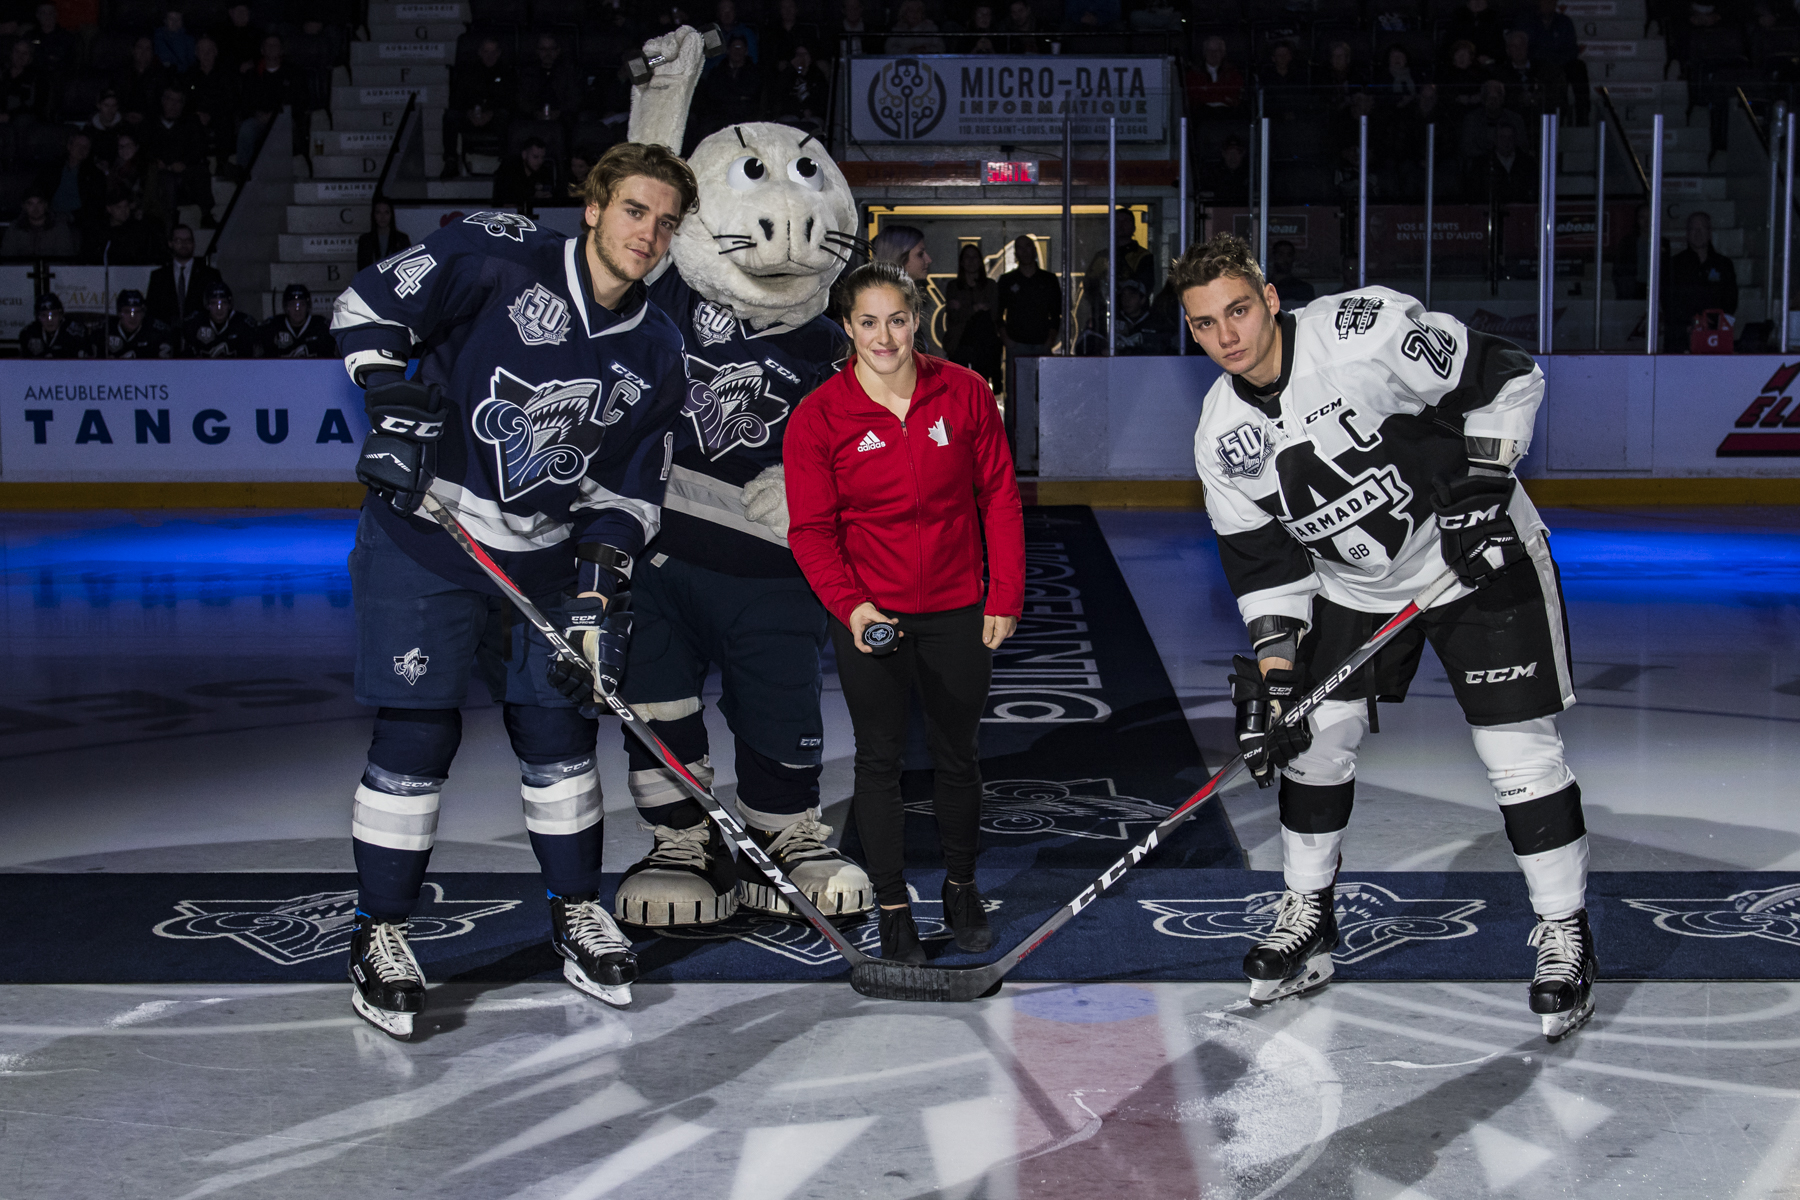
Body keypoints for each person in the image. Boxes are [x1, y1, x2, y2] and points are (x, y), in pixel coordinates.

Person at [1176, 233, 1595, 1040]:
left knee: (1517, 753)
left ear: (1269, 298)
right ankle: (1309, 916)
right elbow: (1267, 570)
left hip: (1471, 556)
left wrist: (1485, 482)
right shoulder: (1220, 435)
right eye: (1204, 325)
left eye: (1237, 310)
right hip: (1353, 586)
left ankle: (1564, 935)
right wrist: (1275, 678)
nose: (1227, 337)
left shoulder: (1361, 331)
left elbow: (1509, 374)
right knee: (1311, 737)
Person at [325, 142, 697, 1040]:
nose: (649, 234)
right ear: (596, 205)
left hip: (542, 559)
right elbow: (364, 306)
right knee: (417, 729)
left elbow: (628, 496)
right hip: (431, 539)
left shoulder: (657, 347)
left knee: (558, 728)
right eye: (636, 210)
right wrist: (388, 399)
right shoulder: (493, 255)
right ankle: (379, 935)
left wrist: (597, 596)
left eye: (667, 222)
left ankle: (575, 909)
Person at [605, 25, 873, 932]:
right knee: (657, 697)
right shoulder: (666, 302)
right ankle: (681, 839)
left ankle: (787, 833)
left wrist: (823, 493)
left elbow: (883, 457)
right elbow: (638, 202)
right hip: (660, 560)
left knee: (779, 700)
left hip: (772, 571)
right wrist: (664, 101)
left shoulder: (839, 348)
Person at [785, 261, 1025, 964]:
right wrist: (853, 607)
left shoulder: (964, 392)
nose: (882, 335)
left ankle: (960, 885)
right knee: (879, 762)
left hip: (958, 609)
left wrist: (1003, 592)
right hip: (871, 615)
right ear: (848, 326)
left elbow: (999, 497)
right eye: (867, 321)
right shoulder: (820, 416)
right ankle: (893, 906)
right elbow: (811, 532)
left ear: (917, 319)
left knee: (958, 758)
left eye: (896, 319)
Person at [996, 234, 1062, 411]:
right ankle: (1013, 438)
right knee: (1016, 398)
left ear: (1034, 250)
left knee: (1044, 395)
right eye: (1020, 248)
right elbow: (997, 314)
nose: (1024, 251)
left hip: (1042, 346)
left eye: (1028, 247)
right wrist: (1007, 340)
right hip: (1016, 346)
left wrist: (1049, 341)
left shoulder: (1048, 280)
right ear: (1015, 253)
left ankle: (1042, 437)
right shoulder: (1006, 281)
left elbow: (1056, 314)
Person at [1664, 210, 1738, 351]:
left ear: (1710, 232)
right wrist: (1689, 325)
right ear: (1687, 233)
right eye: (1693, 229)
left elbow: (1731, 300)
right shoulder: (1674, 265)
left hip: (1715, 336)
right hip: (1681, 339)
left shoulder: (1723, 264)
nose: (1698, 233)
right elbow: (1668, 301)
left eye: (1702, 228)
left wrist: (1712, 323)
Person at [144, 85, 215, 229]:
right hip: (160, 174)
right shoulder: (151, 122)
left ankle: (206, 215)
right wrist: (155, 161)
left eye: (178, 101)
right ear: (163, 100)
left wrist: (184, 163)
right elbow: (144, 147)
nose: (174, 105)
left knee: (200, 172)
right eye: (170, 100)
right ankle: (169, 223)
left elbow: (199, 147)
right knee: (166, 180)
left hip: (185, 175)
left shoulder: (191, 122)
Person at [443, 35, 513, 179]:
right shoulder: (467, 71)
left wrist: (491, 113)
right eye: (486, 51)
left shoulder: (507, 72)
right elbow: (456, 99)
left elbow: (509, 100)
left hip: (495, 120)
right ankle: (450, 161)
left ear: (499, 53)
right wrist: (469, 113)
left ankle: (507, 163)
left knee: (506, 116)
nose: (490, 56)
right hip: (471, 118)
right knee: (450, 116)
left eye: (493, 52)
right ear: (480, 52)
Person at [943, 242, 1001, 390]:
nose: (971, 261)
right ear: (961, 262)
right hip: (959, 344)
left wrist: (963, 307)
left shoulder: (990, 286)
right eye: (967, 257)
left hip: (984, 347)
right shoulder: (953, 287)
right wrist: (976, 307)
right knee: (958, 388)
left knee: (980, 389)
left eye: (974, 257)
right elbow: (954, 316)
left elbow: (993, 314)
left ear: (980, 261)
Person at [870, 222, 935, 350]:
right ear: (900, 256)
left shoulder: (905, 298)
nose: (928, 260)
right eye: (920, 254)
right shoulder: (883, 301)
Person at [146, 223, 221, 327]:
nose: (184, 244)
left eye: (188, 240)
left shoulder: (209, 275)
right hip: (167, 336)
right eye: (178, 241)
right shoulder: (158, 277)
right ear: (170, 243)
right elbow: (152, 311)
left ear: (193, 243)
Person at [257, 282, 336, 357]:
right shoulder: (273, 326)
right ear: (286, 307)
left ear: (307, 306)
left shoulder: (321, 327)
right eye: (292, 304)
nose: (297, 309)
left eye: (302, 304)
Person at [181, 279, 257, 356]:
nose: (219, 308)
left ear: (229, 304)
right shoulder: (194, 324)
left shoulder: (243, 325)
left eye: (223, 303)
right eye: (214, 303)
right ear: (207, 305)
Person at [765, 42, 829, 132]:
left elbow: (821, 99)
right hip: (792, 114)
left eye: (804, 54)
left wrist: (810, 110)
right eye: (798, 54)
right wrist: (791, 70)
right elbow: (780, 96)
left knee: (812, 124)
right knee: (786, 123)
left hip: (812, 116)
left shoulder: (817, 75)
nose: (801, 58)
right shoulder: (788, 74)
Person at [87, 187, 161, 264]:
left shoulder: (137, 230)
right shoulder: (99, 231)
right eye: (119, 207)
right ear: (109, 209)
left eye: (126, 206)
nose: (123, 211)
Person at [1, 189, 79, 258]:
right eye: (30, 203)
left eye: (39, 203)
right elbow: (7, 257)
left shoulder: (59, 227)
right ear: (24, 206)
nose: (35, 208)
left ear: (46, 205)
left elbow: (65, 259)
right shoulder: (15, 228)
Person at [100, 287, 175, 358]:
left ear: (143, 313)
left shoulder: (158, 334)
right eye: (127, 312)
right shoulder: (104, 331)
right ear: (119, 313)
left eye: (138, 312)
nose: (133, 317)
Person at [492, 137, 561, 208]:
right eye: (535, 157)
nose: (540, 161)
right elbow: (504, 203)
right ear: (524, 154)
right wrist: (533, 197)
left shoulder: (544, 171)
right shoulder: (509, 170)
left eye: (542, 157)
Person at [19, 292, 92, 357]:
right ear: (38, 317)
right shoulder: (29, 334)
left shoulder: (75, 333)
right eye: (44, 315)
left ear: (61, 316)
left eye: (54, 315)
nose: (49, 320)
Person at [358, 199, 412, 269]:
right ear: (373, 215)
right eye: (378, 212)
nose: (382, 217)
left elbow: (407, 265)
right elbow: (362, 269)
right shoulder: (365, 240)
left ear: (391, 215)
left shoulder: (402, 239)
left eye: (386, 212)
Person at [1267, 239, 1314, 309]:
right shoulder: (1263, 287)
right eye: (1281, 254)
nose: (1285, 259)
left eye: (1289, 255)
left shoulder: (1303, 289)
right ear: (1273, 257)